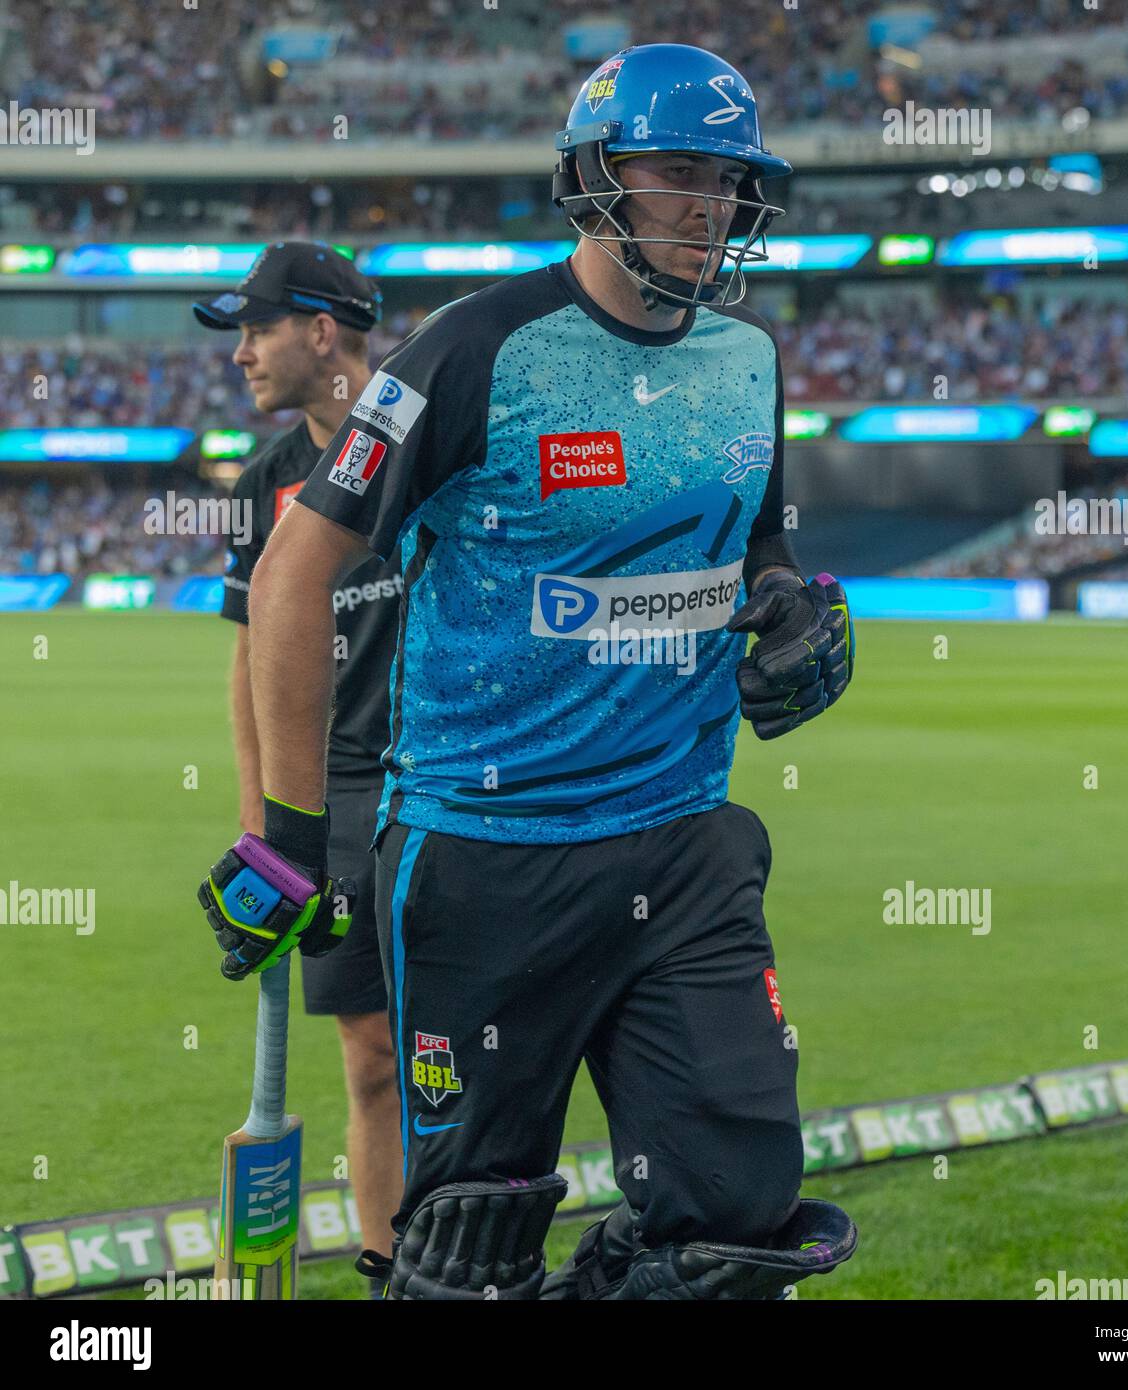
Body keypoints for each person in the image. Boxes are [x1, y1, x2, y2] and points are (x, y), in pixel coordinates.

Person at [196, 46, 856, 1300]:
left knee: (734, 1223)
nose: (708, 203)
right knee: (465, 1248)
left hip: (685, 842)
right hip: (483, 857)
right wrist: (286, 834)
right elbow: (289, 577)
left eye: (728, 178)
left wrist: (793, 608)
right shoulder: (470, 352)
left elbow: (759, 542)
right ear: (596, 176)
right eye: (676, 172)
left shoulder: (749, 362)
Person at [194, 242, 402, 1295]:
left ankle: (476, 1258)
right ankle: (386, 1269)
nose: (239, 355)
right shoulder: (262, 482)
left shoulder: (429, 437)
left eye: (254, 328)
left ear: (321, 333)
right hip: (334, 796)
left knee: (469, 1053)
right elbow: (245, 662)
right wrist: (260, 830)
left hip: (455, 780)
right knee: (368, 1054)